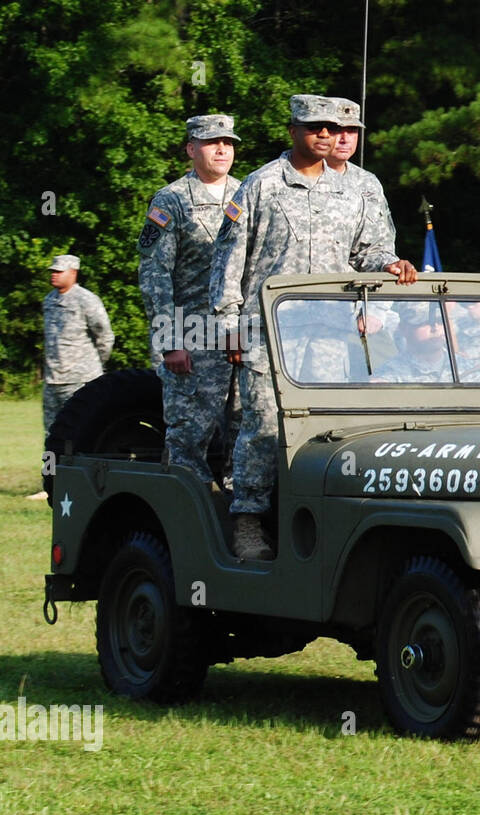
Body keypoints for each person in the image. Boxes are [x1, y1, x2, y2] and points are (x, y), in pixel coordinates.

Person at [210, 94, 416, 560]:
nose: (325, 134)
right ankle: (248, 522)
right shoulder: (260, 186)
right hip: (267, 332)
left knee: (323, 428)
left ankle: (308, 520)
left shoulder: (350, 190)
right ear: (294, 131)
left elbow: (366, 251)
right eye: (313, 127)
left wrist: (391, 263)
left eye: (331, 127)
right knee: (262, 424)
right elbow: (228, 261)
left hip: (327, 330)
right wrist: (229, 326)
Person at [138, 113, 242, 489]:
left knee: (246, 430)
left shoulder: (246, 193)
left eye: (228, 142)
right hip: (193, 339)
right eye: (212, 142)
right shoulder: (172, 200)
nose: (222, 149)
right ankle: (186, 524)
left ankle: (240, 514)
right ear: (191, 148)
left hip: (241, 336)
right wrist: (170, 343)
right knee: (188, 437)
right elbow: (155, 276)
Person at [42, 255, 114, 434]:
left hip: (80, 380)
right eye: (53, 271)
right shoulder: (49, 300)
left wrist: (96, 366)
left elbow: (105, 336)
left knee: (82, 432)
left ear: (73, 272)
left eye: (59, 271)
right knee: (52, 434)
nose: (54, 275)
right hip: (53, 381)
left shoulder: (86, 300)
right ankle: (52, 463)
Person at [326, 97, 396, 250]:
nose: (345, 139)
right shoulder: (299, 177)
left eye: (352, 131)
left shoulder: (368, 182)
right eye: (337, 130)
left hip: (356, 274)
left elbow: (382, 245)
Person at [373, 306, 453, 382]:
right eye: (426, 323)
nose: (435, 328)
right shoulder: (388, 373)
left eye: (440, 322)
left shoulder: (462, 367)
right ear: (403, 328)